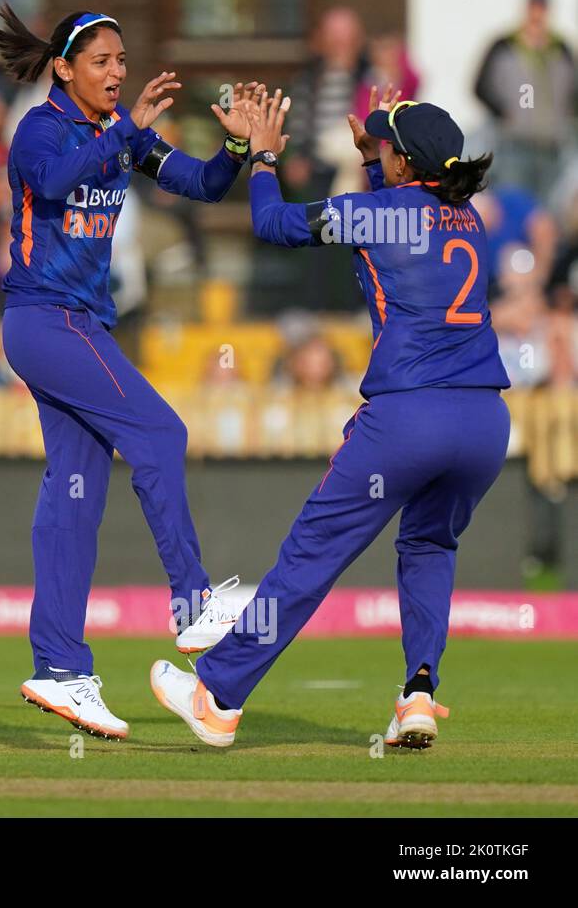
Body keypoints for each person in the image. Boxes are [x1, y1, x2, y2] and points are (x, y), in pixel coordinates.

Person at [151, 87, 511, 751]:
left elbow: (274, 225)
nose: (376, 149)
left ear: (406, 163)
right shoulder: (472, 221)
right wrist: (377, 167)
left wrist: (262, 159)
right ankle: (419, 693)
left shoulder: (375, 212)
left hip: (409, 417)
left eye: (385, 146)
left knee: (310, 555)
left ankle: (218, 696)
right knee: (429, 547)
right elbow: (410, 230)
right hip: (485, 421)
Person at [0, 3, 261, 740]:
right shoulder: (41, 128)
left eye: (121, 60)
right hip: (48, 321)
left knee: (74, 495)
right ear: (64, 68)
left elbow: (199, 183)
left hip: (73, 325)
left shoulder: (117, 136)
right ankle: (193, 603)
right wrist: (126, 132)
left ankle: (60, 670)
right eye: (102, 61)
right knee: (160, 434)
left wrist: (239, 152)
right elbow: (50, 183)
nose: (118, 72)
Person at [473, 0, 576, 200]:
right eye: (533, 8)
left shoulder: (561, 49)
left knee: (547, 212)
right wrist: (503, 112)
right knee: (514, 202)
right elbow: (481, 87)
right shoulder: (504, 46)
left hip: (551, 148)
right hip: (513, 146)